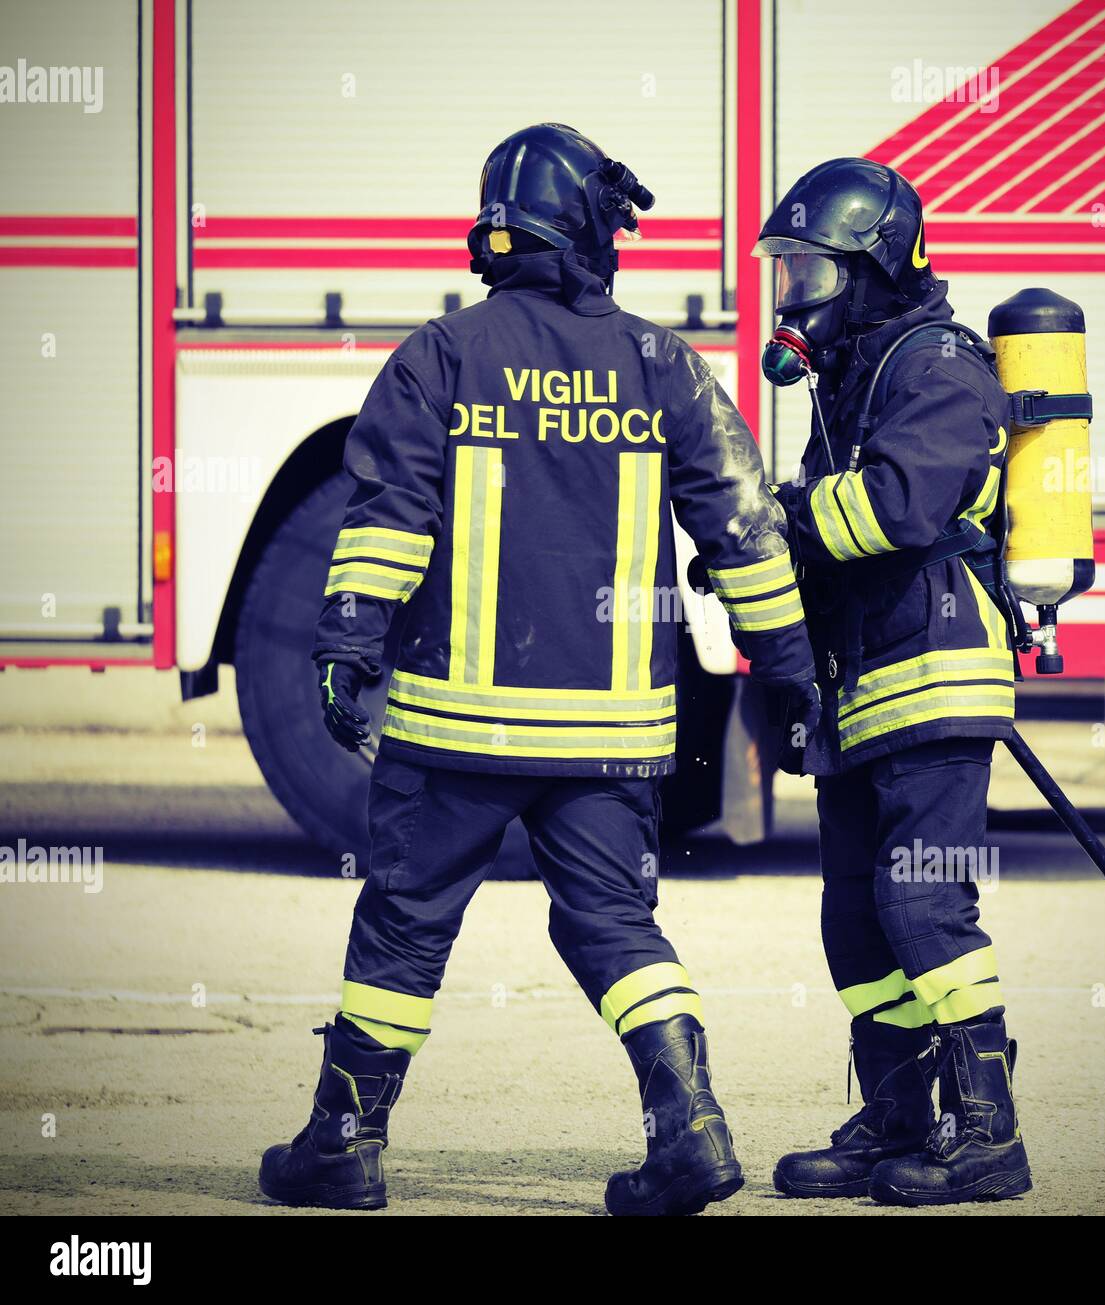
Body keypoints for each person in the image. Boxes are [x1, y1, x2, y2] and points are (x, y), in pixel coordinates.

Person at [258, 123, 818, 1216]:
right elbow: (745, 532)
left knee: (406, 919)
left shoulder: (439, 356)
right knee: (614, 924)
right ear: (599, 230)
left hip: (452, 732)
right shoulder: (665, 365)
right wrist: (791, 671)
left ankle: (343, 1143)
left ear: (495, 232)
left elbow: (388, 518)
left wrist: (345, 644)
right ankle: (690, 1129)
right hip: (608, 741)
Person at [754, 158, 1032, 1205]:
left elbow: (901, 508)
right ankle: (899, 1119)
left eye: (806, 272)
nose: (789, 294)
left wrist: (783, 522)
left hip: (936, 683)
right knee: (858, 919)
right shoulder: (853, 370)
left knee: (924, 905)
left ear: (866, 267)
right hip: (866, 689)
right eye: (782, 269)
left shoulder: (938, 362)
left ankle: (987, 1136)